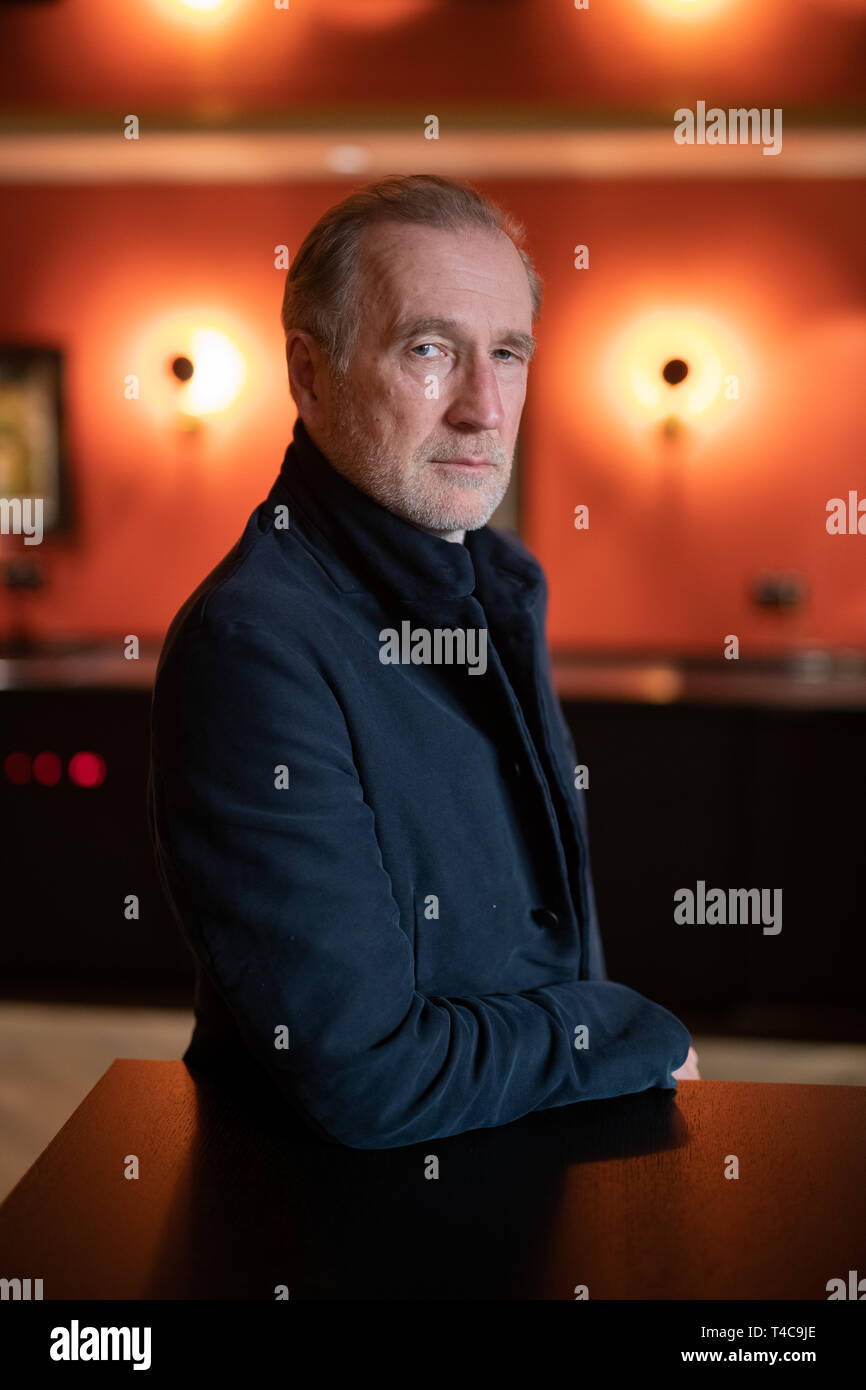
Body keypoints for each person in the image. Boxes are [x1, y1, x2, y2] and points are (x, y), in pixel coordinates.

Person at [147, 173, 700, 1151]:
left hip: (528, 1156)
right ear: (310, 376)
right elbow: (366, 1075)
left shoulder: (498, 576)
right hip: (342, 1232)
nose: (483, 408)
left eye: (509, 353)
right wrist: (622, 1033)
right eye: (429, 349)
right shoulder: (252, 645)